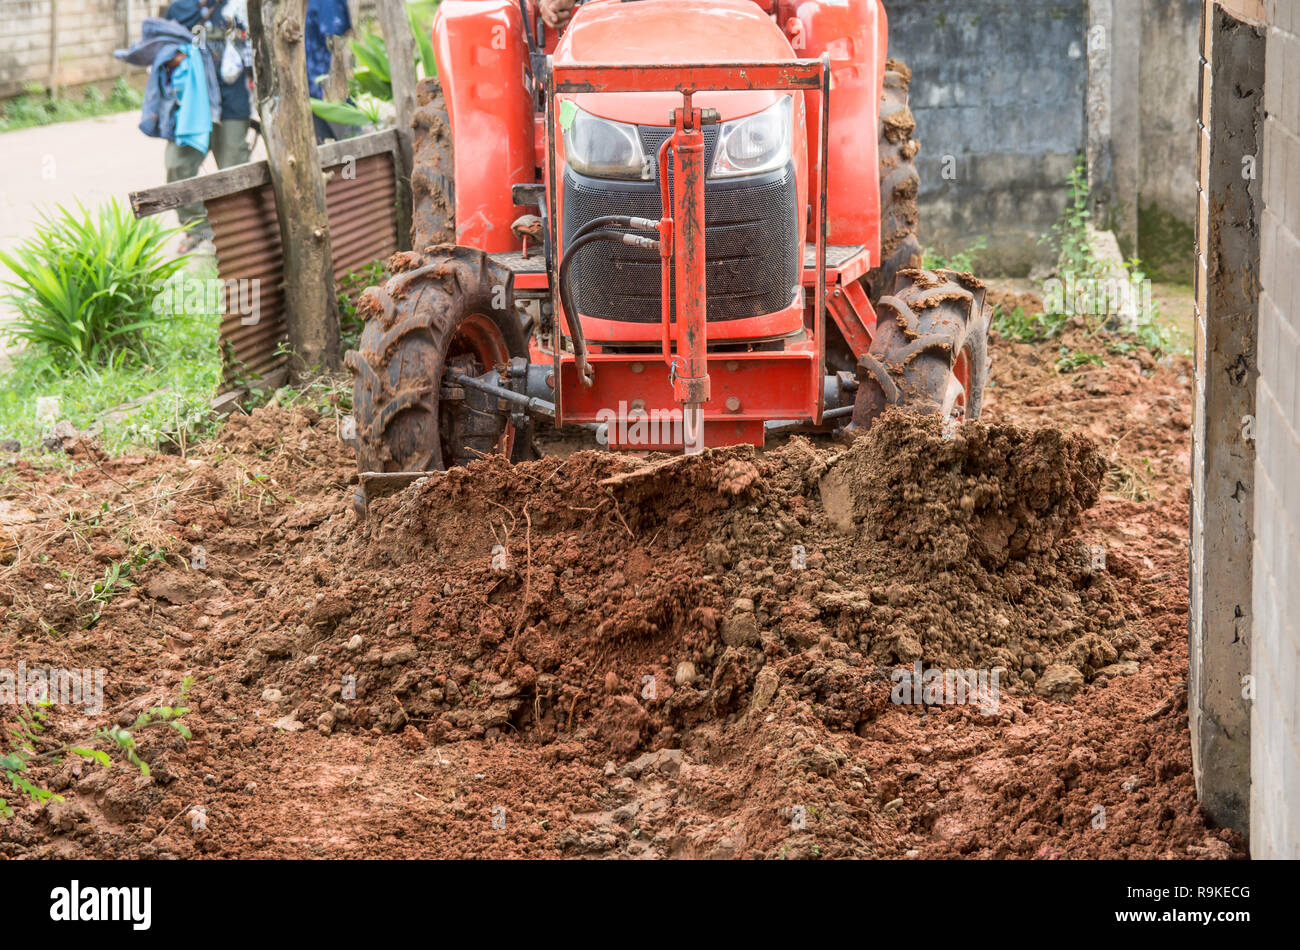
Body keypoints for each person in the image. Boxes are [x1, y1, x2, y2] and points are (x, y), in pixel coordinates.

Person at [162, 0, 253, 249]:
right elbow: (161, 50)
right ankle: (197, 229)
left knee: (236, 170)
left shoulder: (239, 5)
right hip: (193, 104)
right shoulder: (179, 8)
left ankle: (238, 233)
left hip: (233, 100)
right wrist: (174, 59)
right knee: (177, 165)